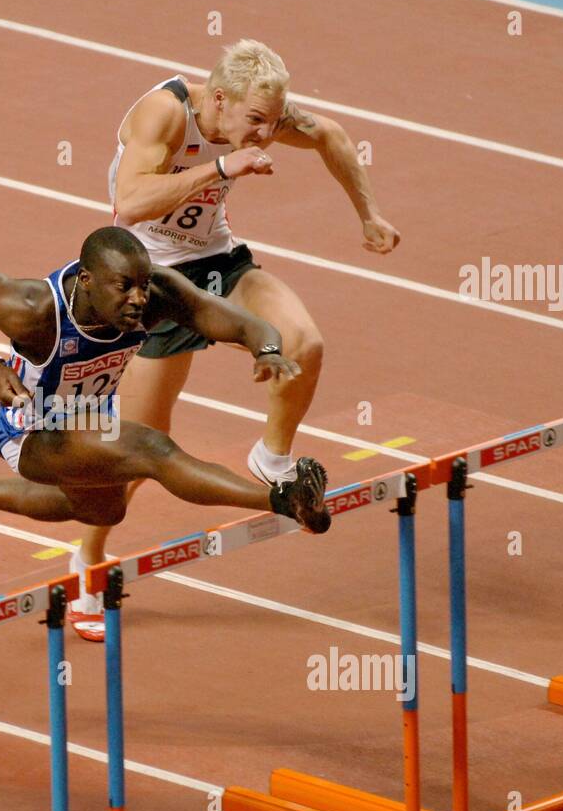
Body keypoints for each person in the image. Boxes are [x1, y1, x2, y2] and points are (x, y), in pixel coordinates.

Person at [66, 38, 400, 633]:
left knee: (302, 342)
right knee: (142, 453)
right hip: (153, 283)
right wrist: (221, 167)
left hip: (220, 263)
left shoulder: (259, 115)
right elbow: (129, 201)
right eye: (255, 122)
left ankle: (271, 459)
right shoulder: (164, 113)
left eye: (273, 123)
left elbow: (332, 135)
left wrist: (367, 213)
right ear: (219, 99)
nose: (266, 136)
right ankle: (88, 561)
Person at [0, 226, 328, 640]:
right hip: (29, 431)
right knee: (151, 448)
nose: (138, 299)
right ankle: (283, 499)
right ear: (86, 281)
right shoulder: (33, 308)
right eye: (125, 287)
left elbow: (238, 321)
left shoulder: (156, 296)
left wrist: (267, 349)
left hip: (90, 424)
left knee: (105, 511)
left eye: (143, 285)